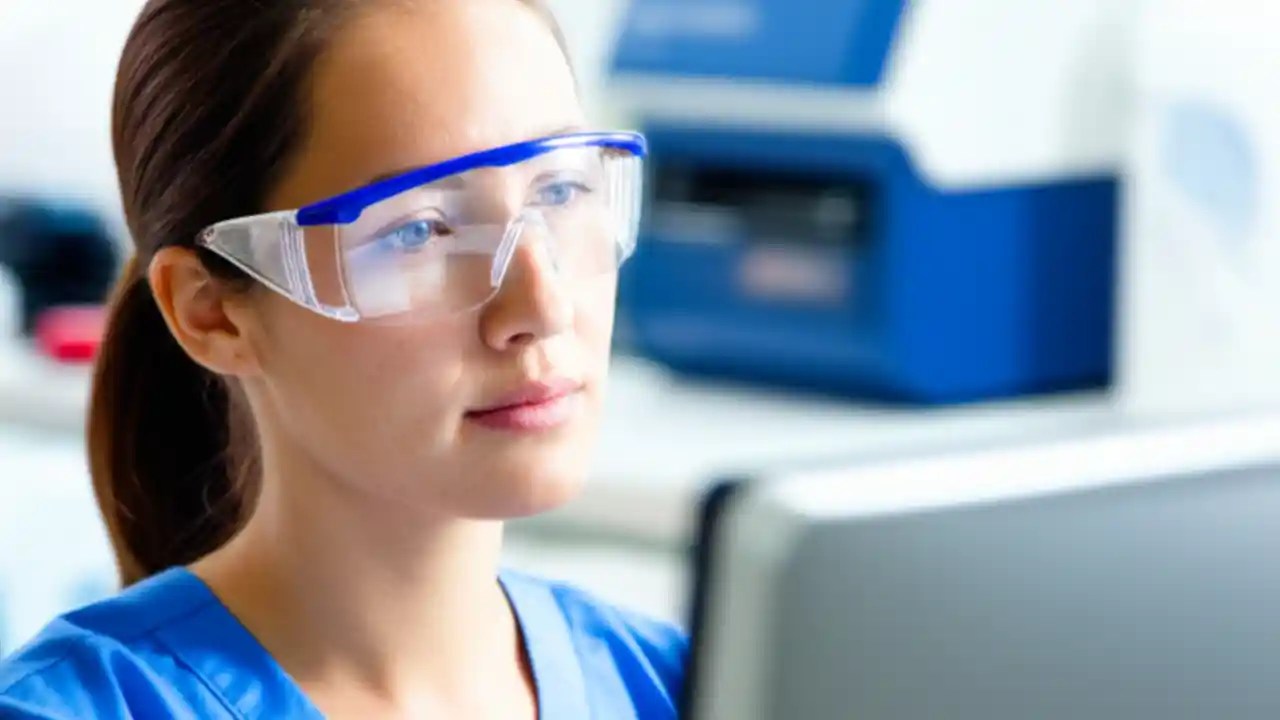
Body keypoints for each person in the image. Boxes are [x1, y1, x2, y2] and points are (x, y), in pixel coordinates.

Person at [0, 0, 685, 717]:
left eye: (560, 190)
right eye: (419, 231)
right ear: (211, 312)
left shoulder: (685, 684)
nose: (541, 309)